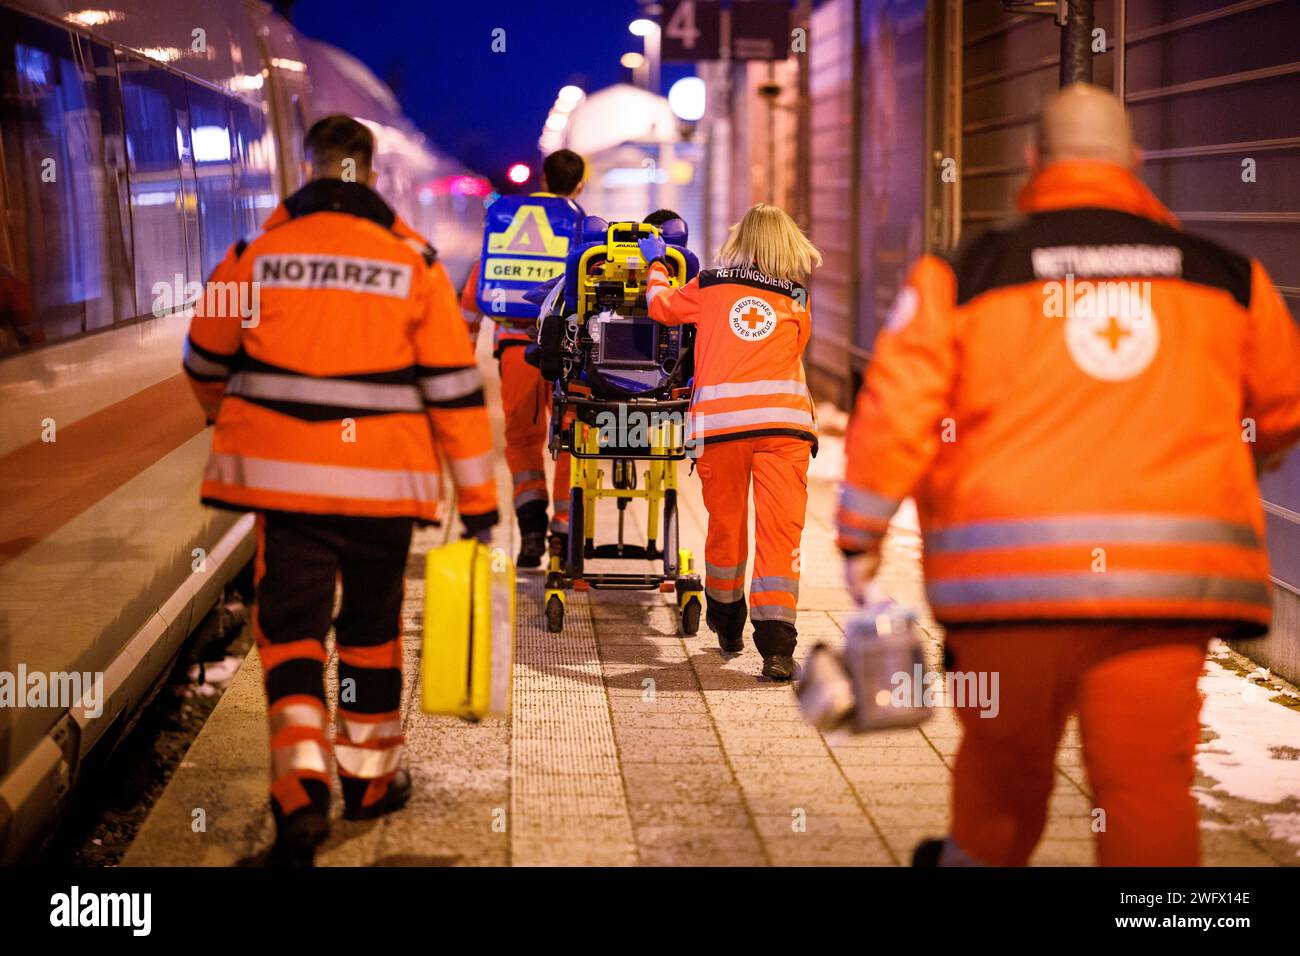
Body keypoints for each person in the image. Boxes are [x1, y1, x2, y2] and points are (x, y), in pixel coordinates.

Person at [838, 84, 1300, 866]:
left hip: (1006, 591)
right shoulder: (1228, 276)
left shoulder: (965, 273)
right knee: (1148, 790)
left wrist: (860, 536)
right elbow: (1281, 410)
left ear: (1031, 160)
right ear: (1137, 161)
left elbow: (894, 412)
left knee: (1001, 786)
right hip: (1167, 590)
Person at [183, 114, 498, 865]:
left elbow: (201, 361)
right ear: (370, 170)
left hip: (286, 492)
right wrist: (481, 502)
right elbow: (455, 393)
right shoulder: (412, 263)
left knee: (289, 635)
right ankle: (370, 780)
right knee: (369, 634)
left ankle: (299, 794)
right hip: (384, 491)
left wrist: (233, 421)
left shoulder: (251, 257)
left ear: (310, 168)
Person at [641, 203, 822, 680]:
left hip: (721, 430)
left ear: (741, 239)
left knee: (726, 527)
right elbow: (792, 350)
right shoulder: (798, 296)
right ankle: (778, 648)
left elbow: (660, 307)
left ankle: (727, 623)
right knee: (781, 534)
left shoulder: (712, 284)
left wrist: (657, 263)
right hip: (786, 430)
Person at [459, 149, 587, 568]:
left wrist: (462, 350)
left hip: (517, 348)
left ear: (544, 179)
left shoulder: (509, 220)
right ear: (580, 183)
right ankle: (565, 531)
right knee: (573, 436)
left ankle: (530, 532)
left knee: (523, 440)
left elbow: (476, 290)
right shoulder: (584, 227)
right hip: (570, 351)